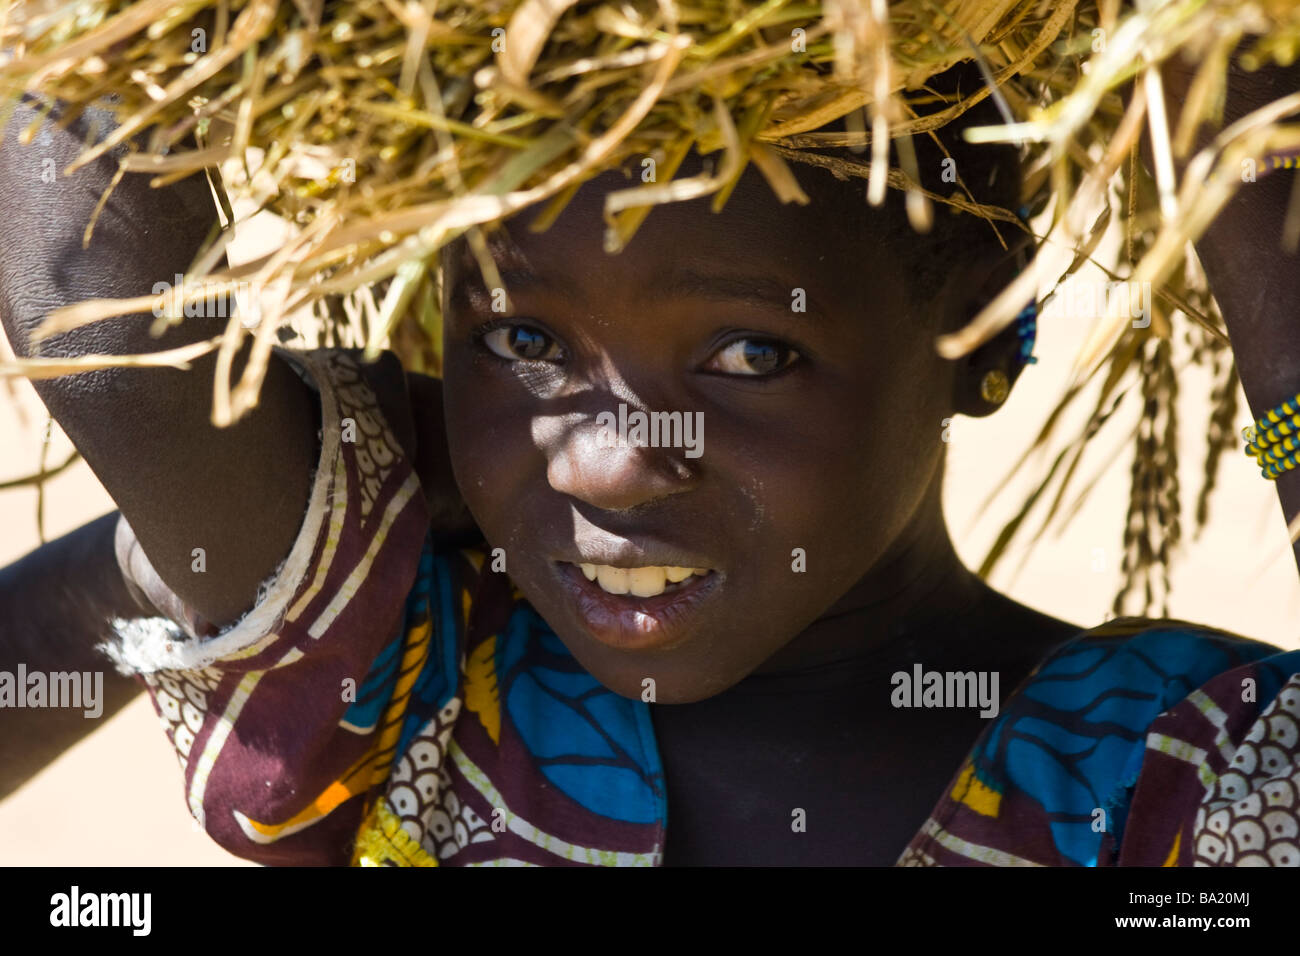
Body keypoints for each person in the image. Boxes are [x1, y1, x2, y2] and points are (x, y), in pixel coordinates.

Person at [1, 53, 1298, 866]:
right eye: (521, 336)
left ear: (973, 319)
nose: (606, 469)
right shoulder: (407, 678)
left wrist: (1217, 75)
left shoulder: (1178, 778)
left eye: (746, 354)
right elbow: (113, 344)